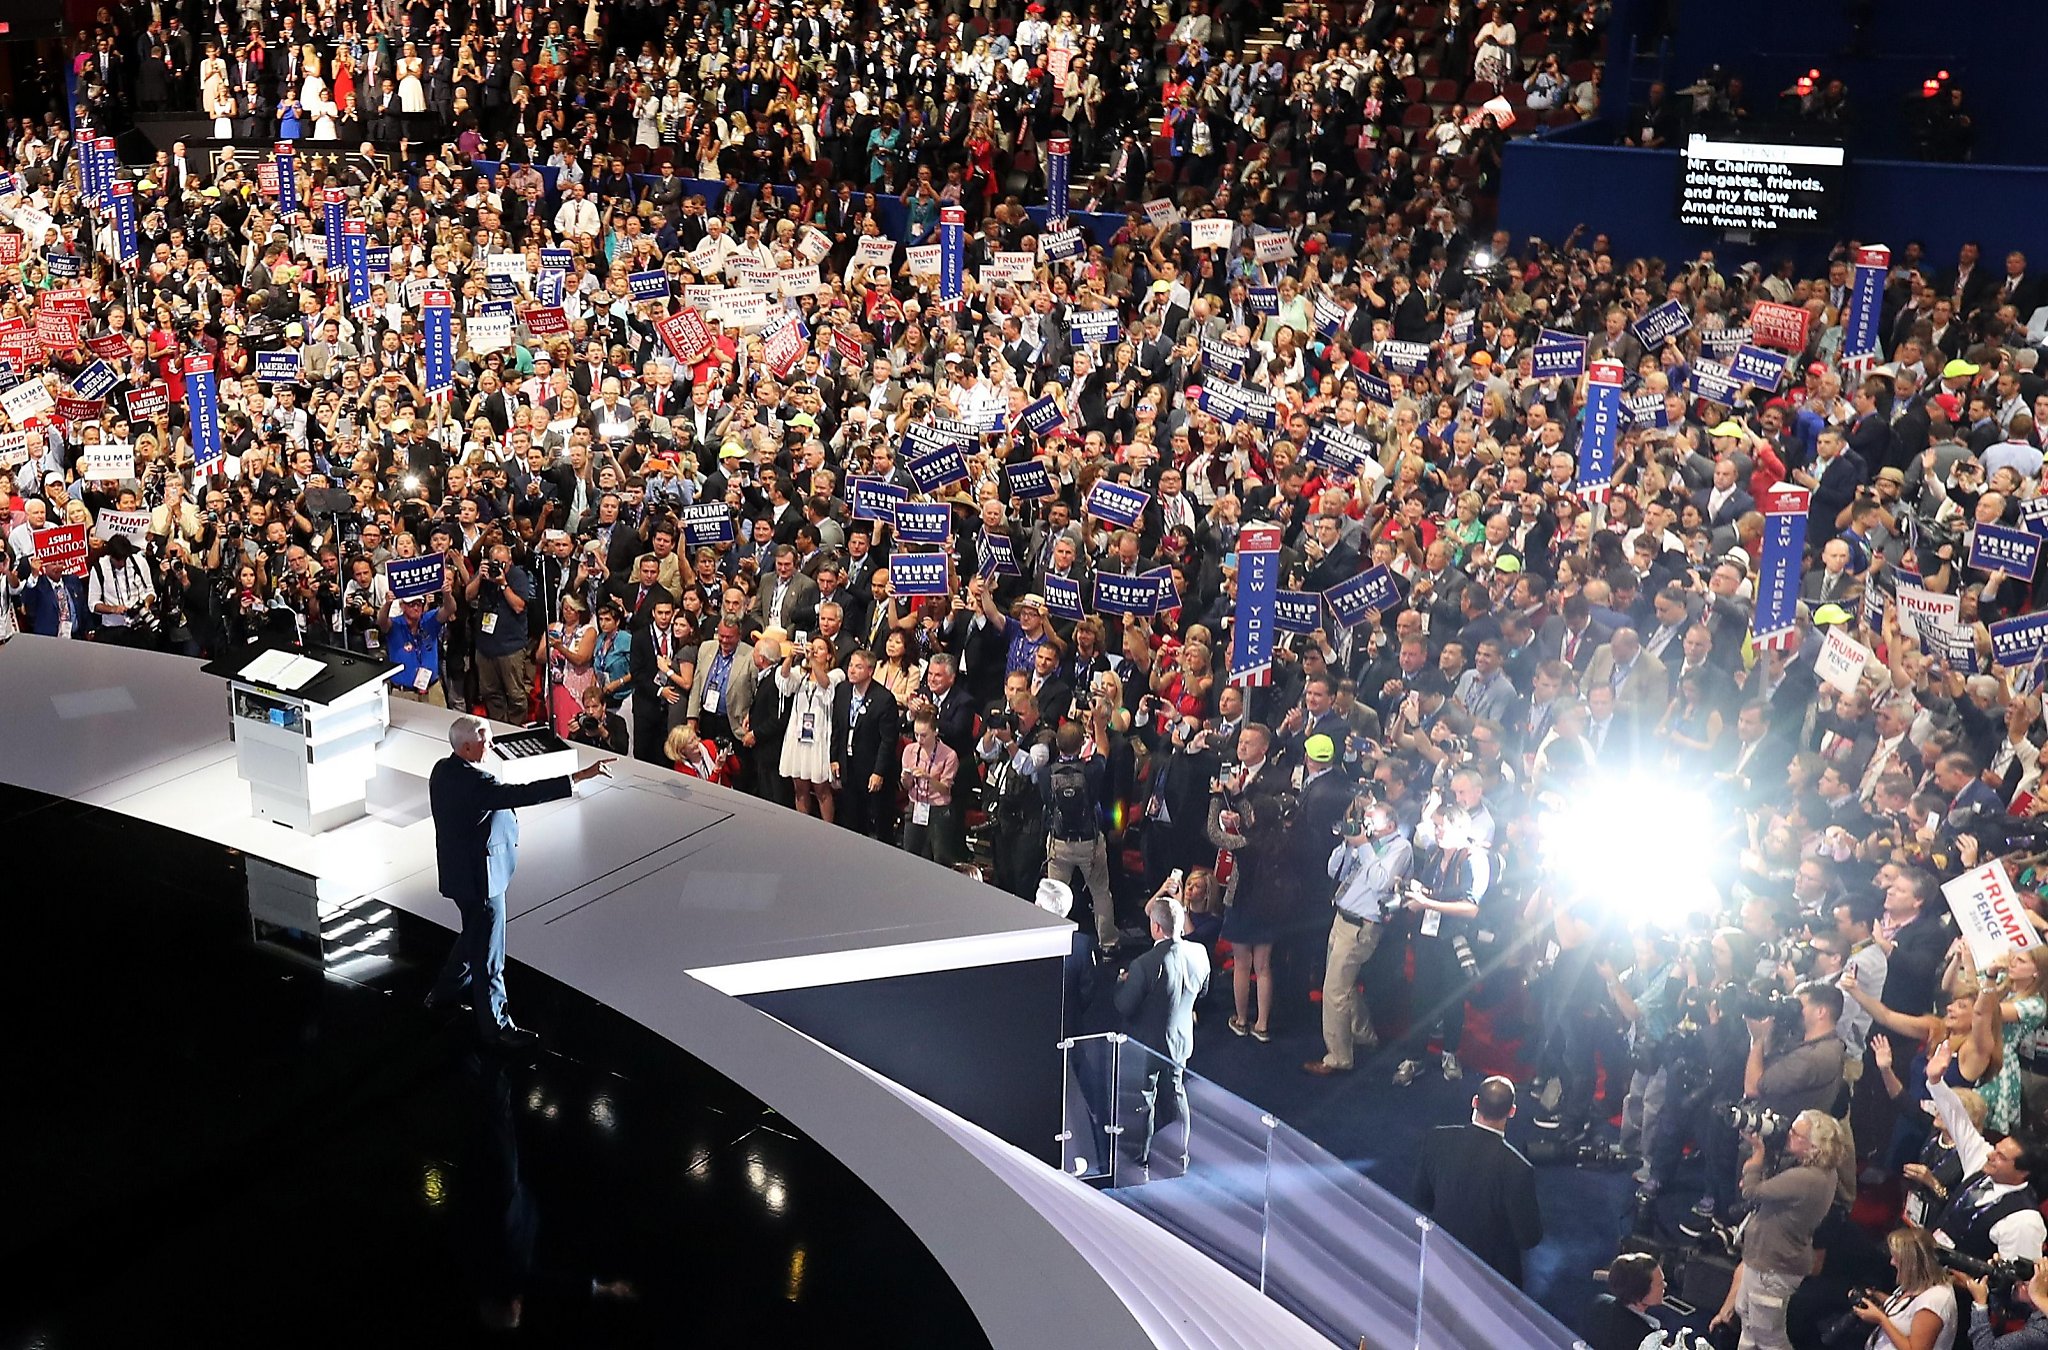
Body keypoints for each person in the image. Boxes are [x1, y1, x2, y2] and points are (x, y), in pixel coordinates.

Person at [426, 716, 612, 1050]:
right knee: (490, 957)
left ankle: (443, 993)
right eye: (487, 740)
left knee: (473, 936)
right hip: (483, 881)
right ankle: (497, 1028)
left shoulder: (442, 771)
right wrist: (579, 777)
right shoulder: (476, 783)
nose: (492, 746)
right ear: (467, 746)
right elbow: (526, 793)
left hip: (459, 876)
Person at [1709, 1109, 1851, 1350]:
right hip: (1768, 1259)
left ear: (1814, 1147)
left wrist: (1757, 1155)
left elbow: (1751, 1192)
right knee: (1748, 1318)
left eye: (1796, 1134)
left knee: (1769, 1337)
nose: (1788, 1134)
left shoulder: (1807, 1179)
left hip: (1774, 1266)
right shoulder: (1823, 1173)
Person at [1305, 791, 1413, 1075]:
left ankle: (1338, 1057)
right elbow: (1333, 871)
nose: (1365, 825)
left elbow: (1380, 882)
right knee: (1344, 986)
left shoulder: (1399, 848)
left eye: (1372, 820)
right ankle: (1364, 1035)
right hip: (1341, 918)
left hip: (1361, 927)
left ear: (1390, 826)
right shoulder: (1366, 843)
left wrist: (1364, 845)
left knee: (1333, 991)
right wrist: (1349, 844)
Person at [1114, 889, 1210, 1174]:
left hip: (1148, 1044)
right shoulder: (1200, 953)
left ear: (1156, 927)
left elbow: (1123, 1006)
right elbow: (1202, 992)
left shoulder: (1143, 965)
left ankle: (1140, 1157)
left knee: (1145, 1098)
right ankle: (1180, 1153)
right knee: (1177, 1090)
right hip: (1181, 1040)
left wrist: (1121, 982)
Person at [1414, 1075, 1545, 1287]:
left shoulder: (1437, 1139)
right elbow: (1529, 1238)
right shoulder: (1518, 1169)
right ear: (1512, 1111)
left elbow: (1422, 1199)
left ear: (1475, 1101)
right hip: (1491, 1274)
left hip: (1441, 1259)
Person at [1847, 1228, 1958, 1350]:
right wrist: (1876, 1296)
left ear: (1911, 1263)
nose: (1892, 1262)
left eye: (1896, 1258)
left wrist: (1880, 1319)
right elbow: (1908, 1312)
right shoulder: (1916, 1283)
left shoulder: (1935, 1301)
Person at [1581, 1252, 1665, 1350]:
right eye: (1659, 1283)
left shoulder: (1600, 1302)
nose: (1664, 1285)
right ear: (1639, 1292)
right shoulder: (1644, 1337)